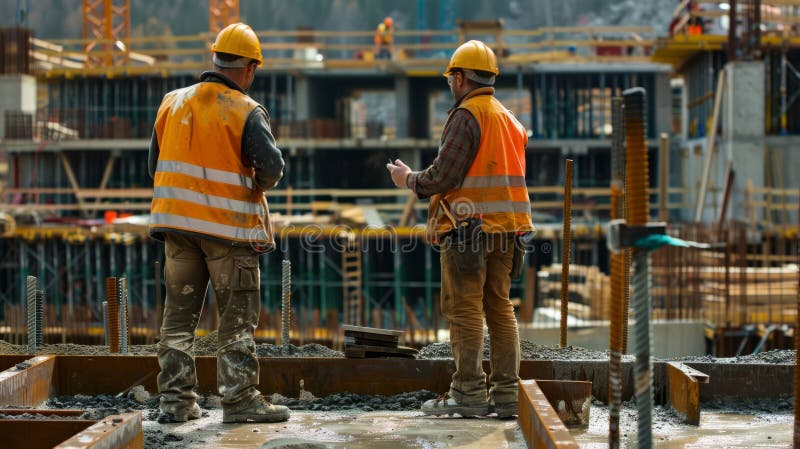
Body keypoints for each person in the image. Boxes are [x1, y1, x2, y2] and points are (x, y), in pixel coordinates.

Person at [148, 22, 288, 424]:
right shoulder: (245, 110)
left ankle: (175, 403)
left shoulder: (171, 103)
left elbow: (153, 167)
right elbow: (272, 168)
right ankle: (240, 400)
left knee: (177, 319)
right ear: (249, 68)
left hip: (177, 231)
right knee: (236, 320)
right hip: (229, 233)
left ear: (215, 60)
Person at [386, 40, 534, 418]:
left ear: (460, 77)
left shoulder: (468, 115)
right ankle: (505, 396)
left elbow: (443, 175)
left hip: (468, 231)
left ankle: (467, 392)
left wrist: (408, 180)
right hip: (509, 230)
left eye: (452, 77)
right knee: (500, 307)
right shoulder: (509, 119)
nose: (451, 83)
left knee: (465, 308)